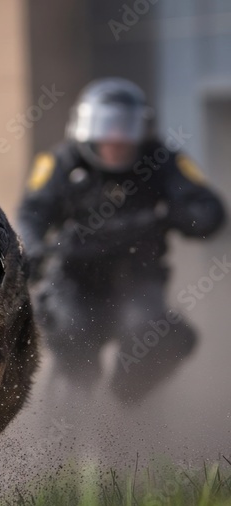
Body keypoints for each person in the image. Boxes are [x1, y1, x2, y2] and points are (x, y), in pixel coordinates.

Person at [18, 77, 225, 404]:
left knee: (156, 334)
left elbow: (209, 210)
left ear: (142, 128)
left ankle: (122, 408)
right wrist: (34, 251)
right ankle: (63, 422)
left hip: (138, 278)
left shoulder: (163, 160)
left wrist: (177, 215)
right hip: (73, 279)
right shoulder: (60, 162)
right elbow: (32, 212)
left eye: (124, 127)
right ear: (85, 126)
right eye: (105, 126)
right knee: (72, 338)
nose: (115, 138)